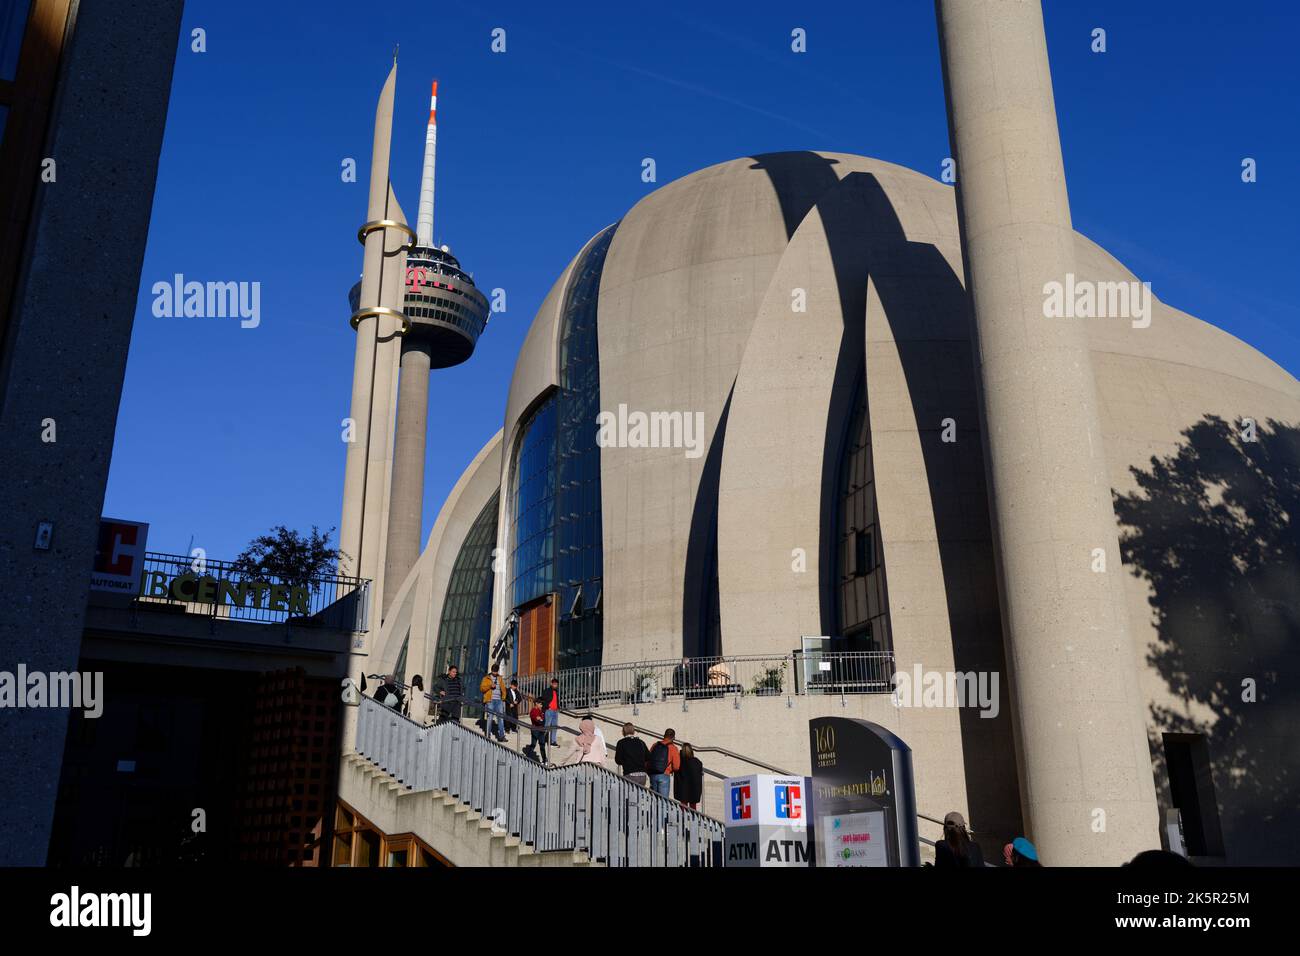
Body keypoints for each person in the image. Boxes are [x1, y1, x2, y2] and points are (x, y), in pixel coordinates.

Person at [646, 728, 680, 798]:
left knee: (654, 799)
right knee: (663, 801)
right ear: (673, 737)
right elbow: (676, 766)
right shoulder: (673, 748)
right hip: (664, 774)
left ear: (664, 735)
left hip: (653, 774)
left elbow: (648, 759)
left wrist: (648, 771)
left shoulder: (655, 745)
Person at [479, 664, 509, 742]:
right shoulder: (486, 678)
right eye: (494, 671)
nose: (495, 673)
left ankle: (502, 736)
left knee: (500, 719)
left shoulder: (500, 678)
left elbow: (503, 689)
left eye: (496, 671)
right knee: (490, 718)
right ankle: (488, 735)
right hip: (490, 700)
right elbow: (482, 689)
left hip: (499, 701)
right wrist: (490, 686)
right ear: (491, 670)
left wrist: (503, 698)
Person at [614, 722, 649, 787]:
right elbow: (648, 757)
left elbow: (618, 760)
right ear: (634, 731)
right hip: (642, 775)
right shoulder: (641, 742)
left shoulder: (621, 743)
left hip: (630, 774)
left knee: (630, 796)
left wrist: (626, 761)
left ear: (623, 732)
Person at [674, 743, 704, 810]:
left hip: (683, 789)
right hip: (694, 788)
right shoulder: (697, 762)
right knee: (693, 807)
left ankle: (683, 819)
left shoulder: (680, 762)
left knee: (683, 807)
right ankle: (693, 819)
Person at [523, 697, 549, 765]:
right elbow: (536, 719)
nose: (541, 705)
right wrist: (539, 719)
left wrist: (541, 719)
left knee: (542, 745)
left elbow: (542, 720)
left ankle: (544, 759)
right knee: (533, 744)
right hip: (535, 729)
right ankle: (528, 757)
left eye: (542, 704)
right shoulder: (533, 710)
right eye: (540, 704)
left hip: (541, 729)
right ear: (536, 703)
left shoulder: (541, 710)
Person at [539, 677, 561, 747]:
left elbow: (556, 700)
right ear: (551, 684)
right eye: (554, 684)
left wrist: (558, 707)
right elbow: (543, 699)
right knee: (547, 726)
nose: (555, 685)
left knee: (554, 727)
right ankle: (542, 740)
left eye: (556, 684)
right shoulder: (547, 690)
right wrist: (547, 706)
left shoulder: (556, 692)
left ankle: (553, 741)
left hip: (555, 711)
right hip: (549, 710)